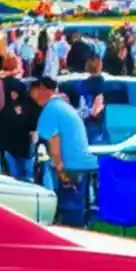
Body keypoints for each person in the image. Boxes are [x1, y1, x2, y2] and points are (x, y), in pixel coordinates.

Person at [30, 77, 97, 227]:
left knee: (68, 209)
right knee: (78, 205)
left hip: (70, 164)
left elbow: (54, 144)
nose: (33, 97)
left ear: (42, 89)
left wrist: (60, 169)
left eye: (34, 92)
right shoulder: (62, 106)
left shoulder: (50, 110)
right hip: (82, 162)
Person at [0, 77, 37, 182]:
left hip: (25, 148)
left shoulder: (28, 104)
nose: (14, 95)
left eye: (16, 92)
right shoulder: (3, 105)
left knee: (27, 178)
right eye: (11, 92)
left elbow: (33, 123)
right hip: (8, 147)